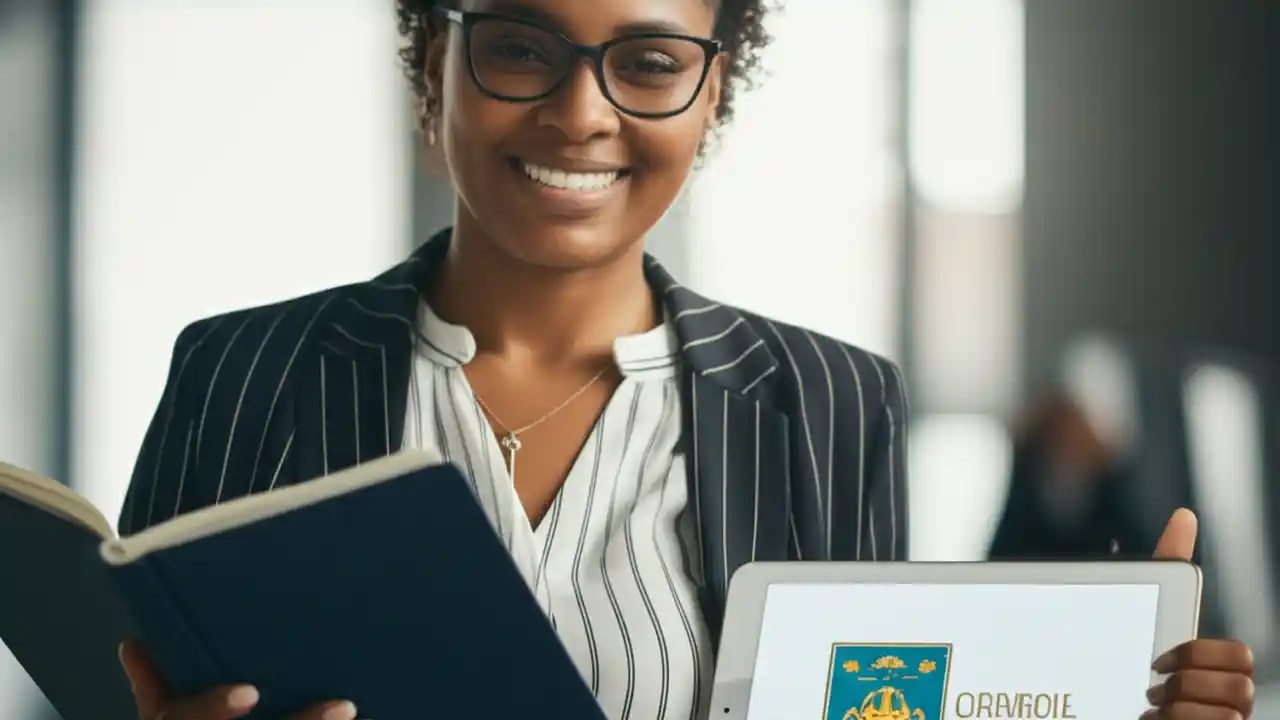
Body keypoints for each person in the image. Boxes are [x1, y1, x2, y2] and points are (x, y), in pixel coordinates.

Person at [115, 0, 1257, 718]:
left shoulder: (829, 402)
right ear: (433, 61)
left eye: (650, 63)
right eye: (518, 47)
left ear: (711, 95)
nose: (579, 114)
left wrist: (1123, 703)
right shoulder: (243, 371)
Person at [989, 394, 1148, 560]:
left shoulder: (1114, 497)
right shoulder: (1022, 502)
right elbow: (1002, 560)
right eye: (1060, 440)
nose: (1070, 451)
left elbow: (1138, 551)